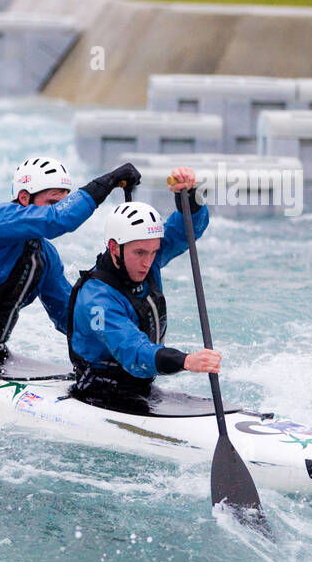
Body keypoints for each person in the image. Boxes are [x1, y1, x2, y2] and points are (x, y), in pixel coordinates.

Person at [0, 156, 141, 377]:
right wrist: (108, 181)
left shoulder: (44, 256)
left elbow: (70, 317)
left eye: (65, 202)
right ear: (24, 198)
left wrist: (116, 345)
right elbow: (58, 220)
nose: (59, 209)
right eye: (53, 203)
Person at [66, 167, 220, 404]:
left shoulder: (147, 259)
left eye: (153, 252)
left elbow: (184, 232)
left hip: (140, 386)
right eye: (140, 252)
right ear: (114, 247)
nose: (148, 262)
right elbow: (133, 351)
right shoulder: (97, 300)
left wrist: (190, 198)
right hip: (98, 393)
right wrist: (185, 361)